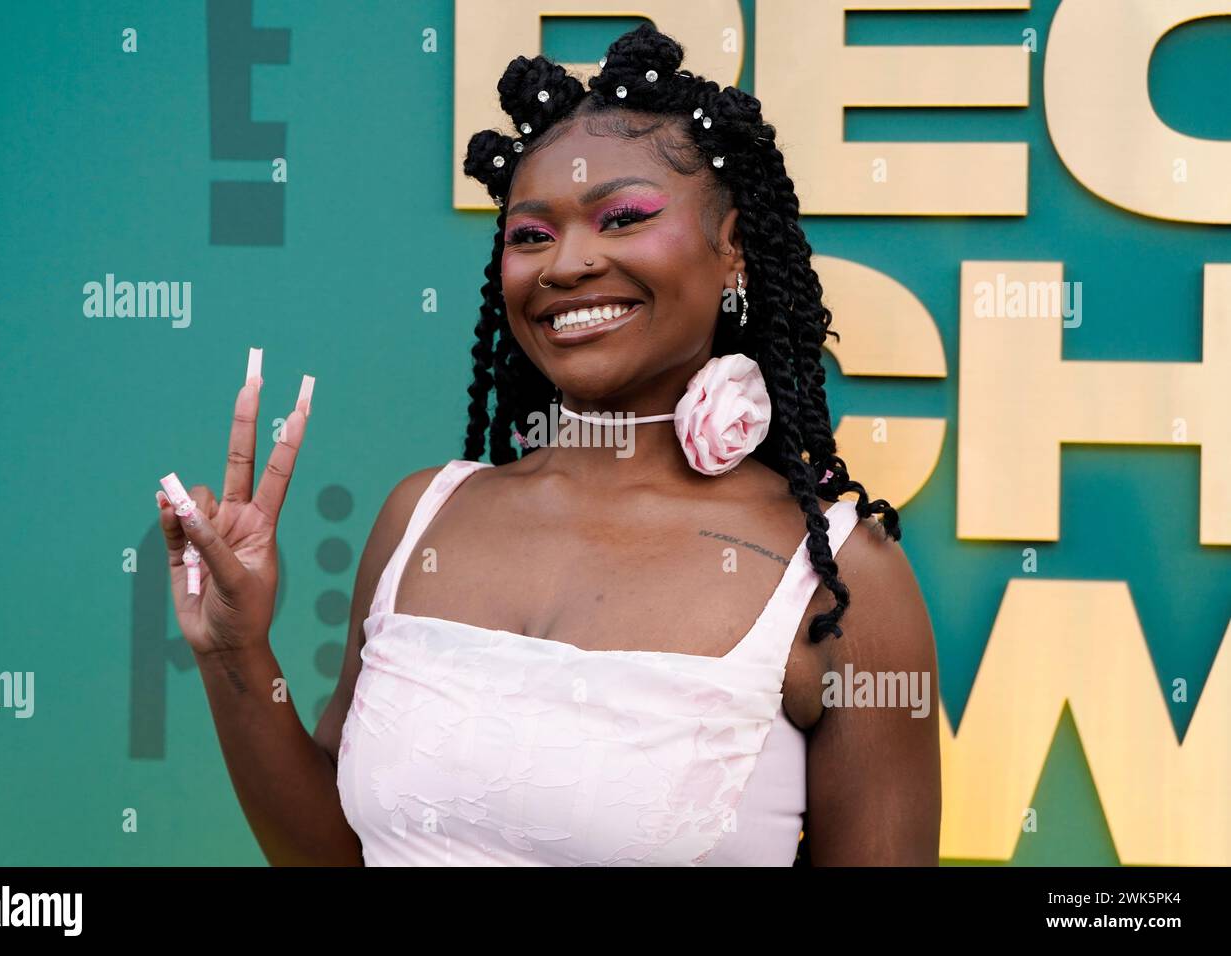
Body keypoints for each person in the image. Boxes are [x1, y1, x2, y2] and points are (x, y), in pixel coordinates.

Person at [155, 23, 940, 866]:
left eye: (623, 217)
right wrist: (237, 652)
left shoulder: (843, 577)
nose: (565, 265)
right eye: (531, 235)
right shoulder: (423, 516)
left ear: (734, 247)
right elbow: (330, 856)